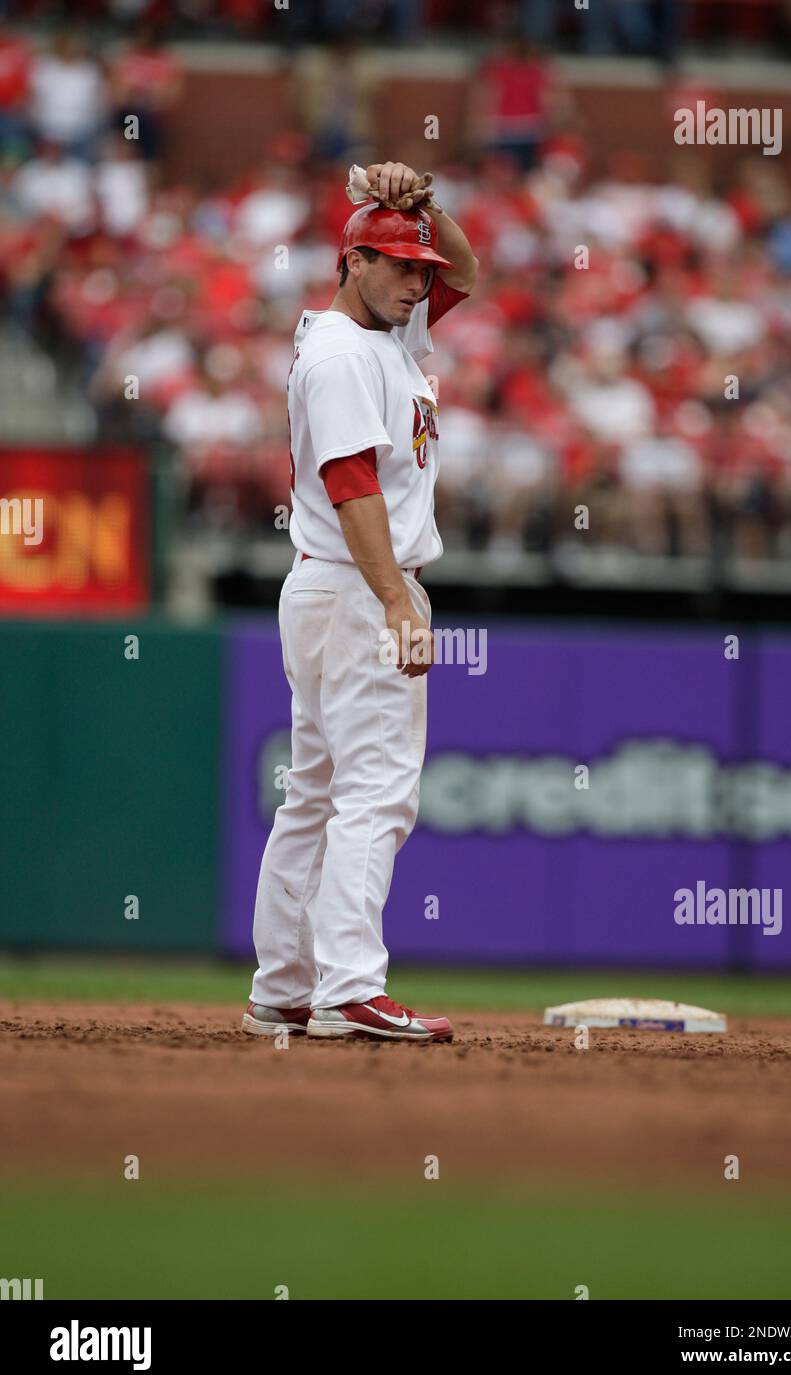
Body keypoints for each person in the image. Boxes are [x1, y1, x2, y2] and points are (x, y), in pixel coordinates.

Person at [243, 161, 477, 1043]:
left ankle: (283, 988)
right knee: (375, 794)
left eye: (420, 268)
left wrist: (424, 208)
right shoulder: (344, 352)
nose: (419, 280)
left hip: (330, 587)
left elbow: (469, 274)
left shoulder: (389, 334)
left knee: (315, 793)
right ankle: (350, 986)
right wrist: (397, 605)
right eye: (399, 264)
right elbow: (352, 485)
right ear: (351, 261)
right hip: (356, 583)